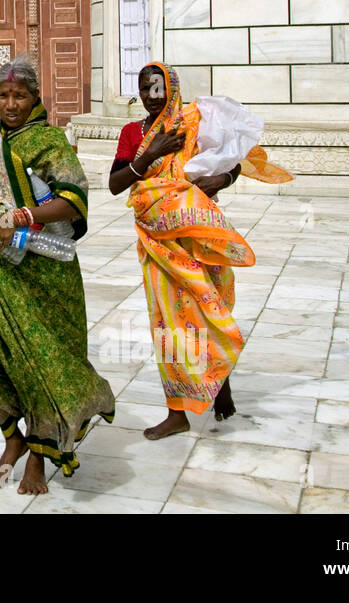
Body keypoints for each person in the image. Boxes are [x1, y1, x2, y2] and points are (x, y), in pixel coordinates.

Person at [0, 54, 114, 495]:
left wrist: (23, 216)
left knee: (40, 363)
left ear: (36, 96)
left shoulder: (49, 141)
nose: (11, 103)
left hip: (41, 269)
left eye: (20, 95)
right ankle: (13, 438)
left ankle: (40, 457)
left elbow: (74, 201)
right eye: (3, 95)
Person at [108, 62, 290, 440]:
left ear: (172, 89)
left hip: (196, 235)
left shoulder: (195, 121)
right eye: (145, 89)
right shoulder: (133, 133)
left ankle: (219, 386)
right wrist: (150, 154)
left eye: (158, 88)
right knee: (170, 323)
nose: (152, 96)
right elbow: (115, 184)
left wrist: (222, 178)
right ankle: (178, 411)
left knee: (206, 310)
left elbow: (233, 158)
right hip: (158, 242)